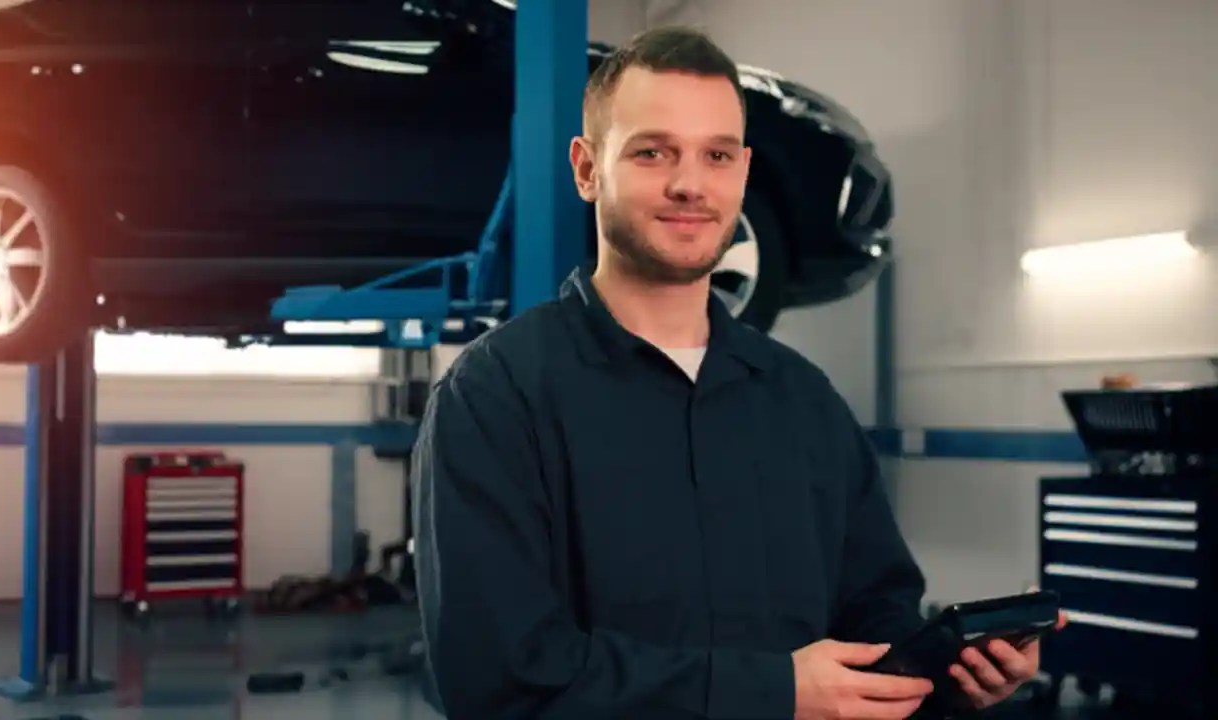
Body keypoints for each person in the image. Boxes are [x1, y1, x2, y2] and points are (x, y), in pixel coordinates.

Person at [411, 26, 1045, 720]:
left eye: (715, 156)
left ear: (742, 173)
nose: (689, 184)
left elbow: (875, 614)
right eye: (653, 152)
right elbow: (494, 678)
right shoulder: (495, 397)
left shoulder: (804, 401)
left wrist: (946, 675)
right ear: (587, 169)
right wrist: (775, 692)